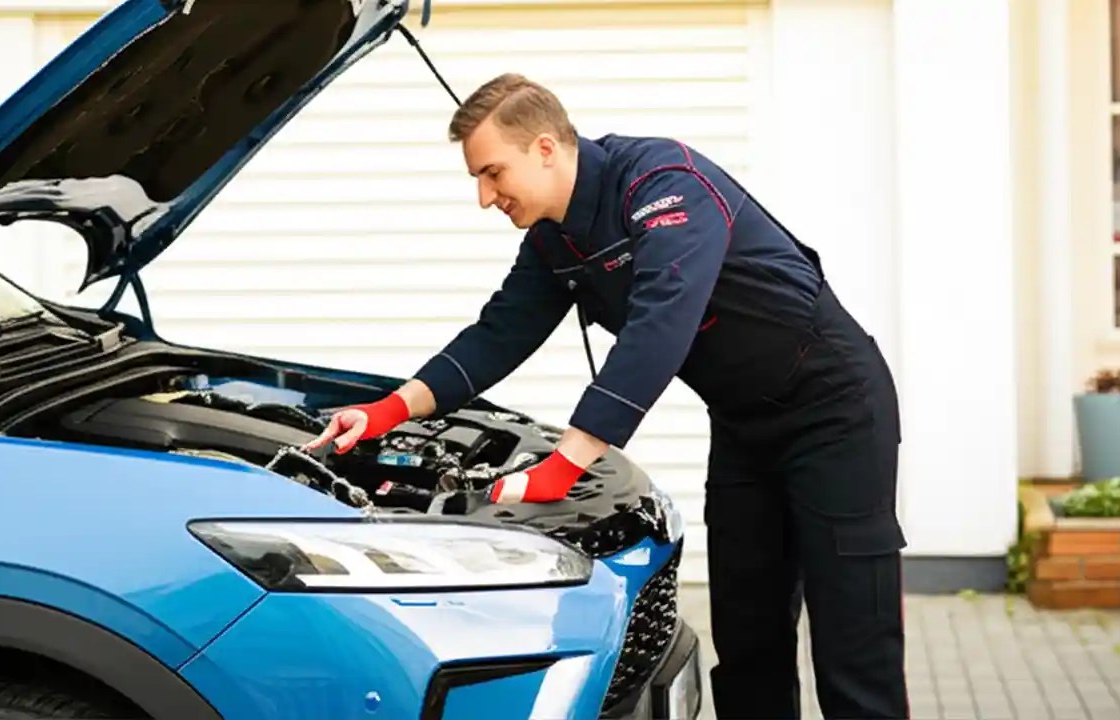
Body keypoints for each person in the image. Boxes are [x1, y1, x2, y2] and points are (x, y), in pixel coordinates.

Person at [304, 73, 909, 719]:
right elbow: (498, 333)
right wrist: (386, 412)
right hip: (743, 426)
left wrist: (566, 463)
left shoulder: (665, 182)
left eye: (492, 173)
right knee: (747, 635)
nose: (485, 197)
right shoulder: (553, 238)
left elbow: (663, 318)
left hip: (834, 409)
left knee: (852, 641)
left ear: (543, 148)